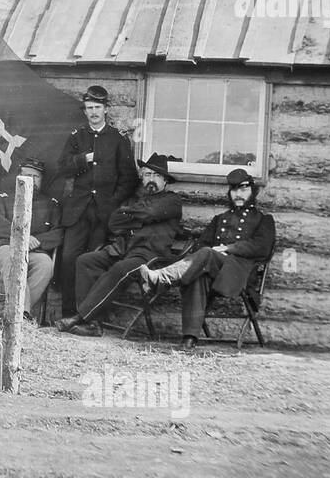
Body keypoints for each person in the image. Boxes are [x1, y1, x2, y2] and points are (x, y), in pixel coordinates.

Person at [139, 167, 276, 348]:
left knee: (207, 254)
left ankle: (161, 279)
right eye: (234, 190)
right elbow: (201, 245)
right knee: (198, 273)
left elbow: (262, 247)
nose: (238, 194)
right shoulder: (219, 219)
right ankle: (189, 339)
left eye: (243, 189)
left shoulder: (263, 220)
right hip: (212, 268)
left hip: (238, 274)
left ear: (253, 191)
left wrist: (228, 248)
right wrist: (210, 254)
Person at [57, 153, 183, 336]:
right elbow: (114, 221)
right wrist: (139, 215)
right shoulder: (135, 200)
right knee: (86, 260)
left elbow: (150, 213)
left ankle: (80, 318)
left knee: (120, 269)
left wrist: (132, 216)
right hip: (123, 251)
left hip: (149, 257)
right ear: (141, 177)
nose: (152, 179)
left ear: (165, 181)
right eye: (147, 175)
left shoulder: (172, 201)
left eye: (156, 176)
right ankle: (93, 324)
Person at [53, 85, 138, 319]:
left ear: (106, 109)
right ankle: (68, 314)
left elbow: (129, 178)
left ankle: (90, 315)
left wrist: (112, 201)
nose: (93, 112)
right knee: (69, 259)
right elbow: (62, 167)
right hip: (77, 211)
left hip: (103, 213)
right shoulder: (77, 137)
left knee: (93, 260)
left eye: (97, 108)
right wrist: (83, 159)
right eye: (89, 108)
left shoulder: (118, 140)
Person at [0, 157, 63, 319]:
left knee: (46, 265)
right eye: (26, 176)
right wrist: (24, 238)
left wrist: (38, 240)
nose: (31, 181)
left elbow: (58, 232)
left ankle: (15, 314)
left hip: (35, 250)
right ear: (18, 177)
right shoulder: (4, 199)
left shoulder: (51, 204)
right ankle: (22, 315)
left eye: (35, 177)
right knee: (14, 262)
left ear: (42, 180)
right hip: (8, 247)